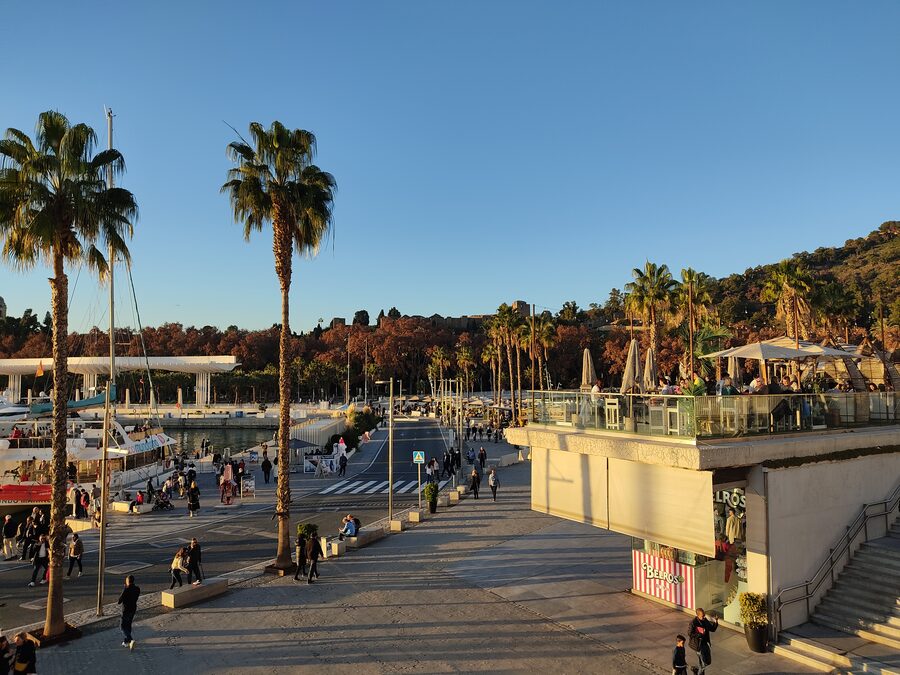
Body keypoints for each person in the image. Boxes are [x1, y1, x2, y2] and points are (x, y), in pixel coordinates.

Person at [688, 608, 718, 674]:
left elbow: (712, 629)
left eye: (704, 615)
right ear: (698, 615)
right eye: (702, 616)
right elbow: (690, 633)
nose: (704, 617)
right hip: (698, 645)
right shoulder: (693, 623)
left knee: (707, 662)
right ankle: (698, 671)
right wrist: (699, 634)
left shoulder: (705, 620)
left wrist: (716, 622)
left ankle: (696, 669)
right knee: (702, 663)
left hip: (705, 643)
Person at [118, 575, 141, 649]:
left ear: (127, 581)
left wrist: (124, 588)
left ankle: (131, 640)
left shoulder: (126, 590)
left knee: (122, 626)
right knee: (128, 625)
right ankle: (126, 641)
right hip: (133, 609)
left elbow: (119, 601)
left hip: (126, 610)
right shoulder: (137, 589)